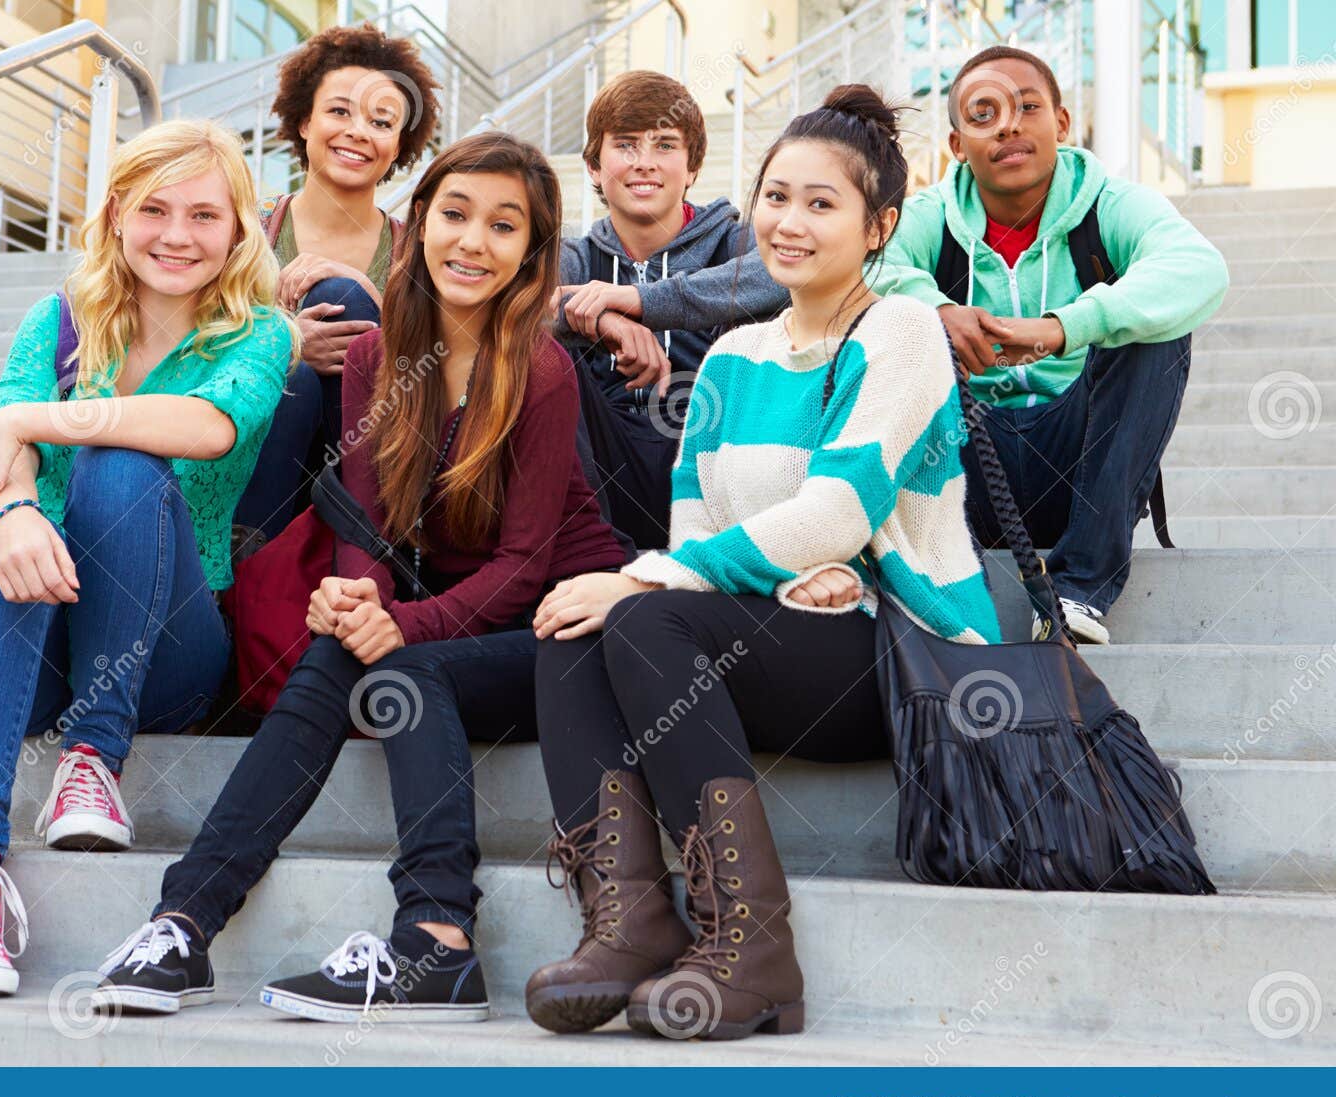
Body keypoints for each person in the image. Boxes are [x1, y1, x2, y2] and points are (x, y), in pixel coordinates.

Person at [92, 133, 626, 1021]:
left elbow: (526, 565)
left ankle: (437, 936)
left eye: (504, 226)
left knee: (402, 665)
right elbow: (367, 522)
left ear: (533, 255)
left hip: (558, 635)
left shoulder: (540, 368)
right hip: (443, 623)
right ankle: (183, 924)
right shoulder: (378, 360)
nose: (472, 242)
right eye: (454, 215)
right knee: (339, 653)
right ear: (416, 228)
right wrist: (354, 596)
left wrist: (403, 627)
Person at [525, 87, 1002, 1041]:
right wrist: (786, 576)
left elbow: (839, 508)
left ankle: (752, 948)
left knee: (641, 607)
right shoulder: (734, 356)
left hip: (905, 655)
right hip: (784, 632)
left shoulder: (901, 333)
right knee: (574, 632)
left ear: (882, 227)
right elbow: (701, 525)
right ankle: (628, 918)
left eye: (822, 203)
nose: (788, 222)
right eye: (775, 197)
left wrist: (658, 575)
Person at [0, 120, 299, 997]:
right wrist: (12, 507)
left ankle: (93, 760)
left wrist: (26, 423)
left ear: (241, 228)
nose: (176, 234)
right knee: (3, 535)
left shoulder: (258, 335)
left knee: (120, 466)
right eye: (155, 209)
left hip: (168, 645)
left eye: (204, 214)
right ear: (117, 215)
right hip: (32, 633)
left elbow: (205, 427)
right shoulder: (57, 320)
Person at [869, 45, 1227, 643]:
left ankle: (1077, 591)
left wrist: (1067, 326)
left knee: (1155, 330)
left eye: (1027, 107)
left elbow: (1198, 267)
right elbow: (860, 268)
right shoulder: (928, 215)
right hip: (965, 472)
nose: (1008, 124)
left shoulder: (1107, 201)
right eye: (983, 114)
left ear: (1060, 124)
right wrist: (935, 311)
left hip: (1080, 469)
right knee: (891, 332)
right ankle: (923, 582)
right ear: (958, 146)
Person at [552, 70, 788, 551]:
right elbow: (511, 308)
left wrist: (643, 301)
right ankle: (595, 558)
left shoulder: (732, 241)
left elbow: (783, 273)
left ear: (693, 167)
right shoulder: (575, 258)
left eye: (664, 145)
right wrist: (602, 318)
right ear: (595, 168)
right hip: (605, 463)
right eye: (626, 146)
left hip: (718, 452)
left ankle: (739, 551)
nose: (645, 164)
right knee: (540, 357)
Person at [232, 21, 441, 538]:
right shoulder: (244, 229)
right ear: (304, 122)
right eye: (339, 111)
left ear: (398, 145)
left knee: (341, 294)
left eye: (380, 121)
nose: (357, 132)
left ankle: (372, 552)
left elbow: (446, 365)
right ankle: (250, 571)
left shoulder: (419, 249)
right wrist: (285, 341)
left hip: (374, 463)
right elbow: (189, 339)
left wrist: (368, 295)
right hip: (252, 458)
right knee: (294, 378)